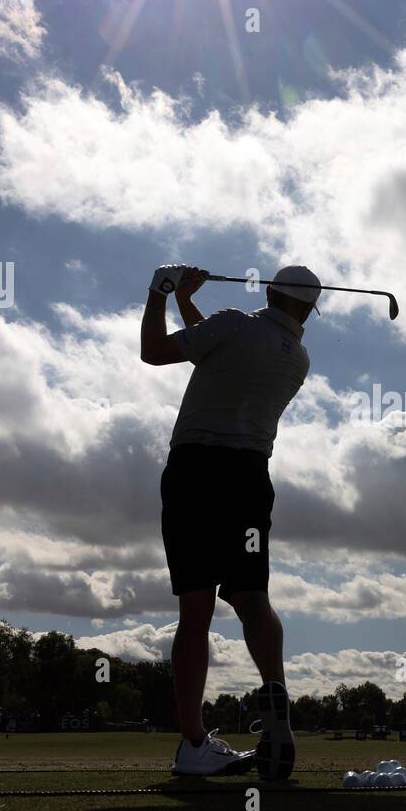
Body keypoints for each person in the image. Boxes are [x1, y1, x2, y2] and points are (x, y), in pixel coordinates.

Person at [141, 263, 317, 778]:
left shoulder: (234, 323)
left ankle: (193, 742)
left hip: (195, 472)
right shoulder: (297, 358)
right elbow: (216, 350)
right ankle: (276, 689)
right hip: (248, 480)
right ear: (309, 311)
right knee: (251, 598)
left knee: (195, 610)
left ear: (269, 291)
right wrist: (187, 305)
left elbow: (157, 352)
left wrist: (161, 292)